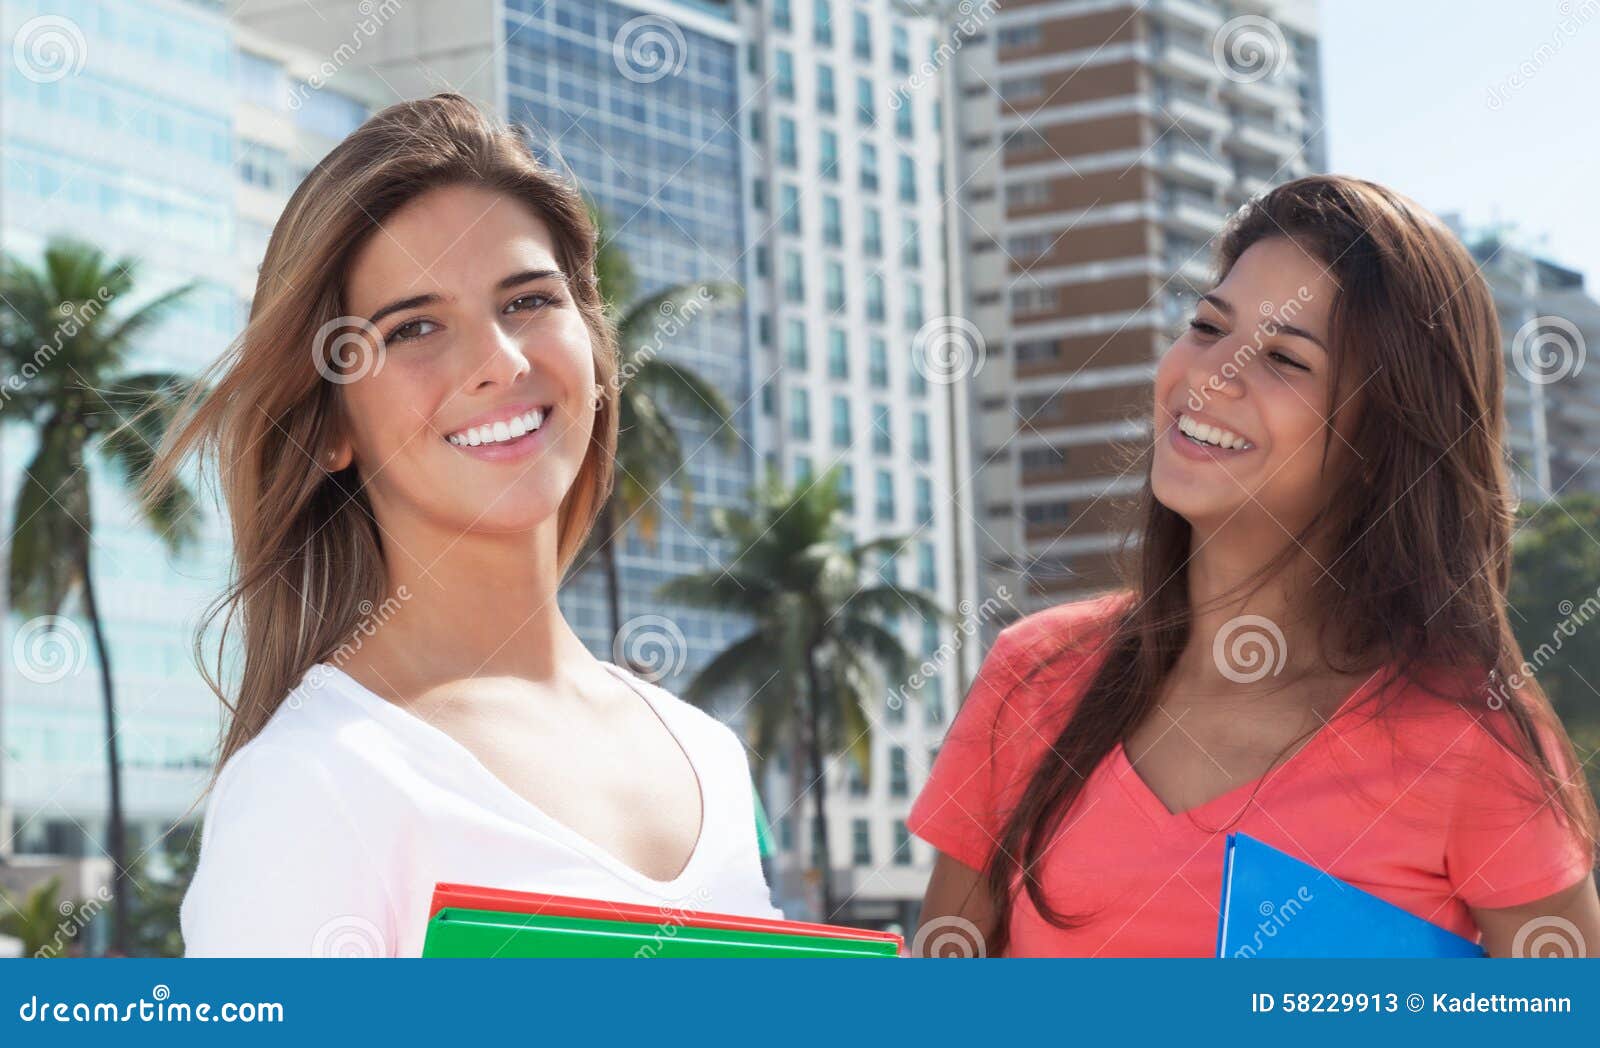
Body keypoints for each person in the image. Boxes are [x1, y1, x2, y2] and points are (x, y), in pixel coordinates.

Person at [146, 94, 778, 956]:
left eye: (527, 302)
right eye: (413, 328)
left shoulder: (709, 757)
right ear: (329, 422)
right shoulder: (314, 784)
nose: (499, 363)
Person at [910, 175, 1599, 957]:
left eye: (1283, 358)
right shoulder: (1033, 675)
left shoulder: (1467, 734)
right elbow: (943, 1003)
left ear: (1387, 440)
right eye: (1207, 326)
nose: (1209, 375)